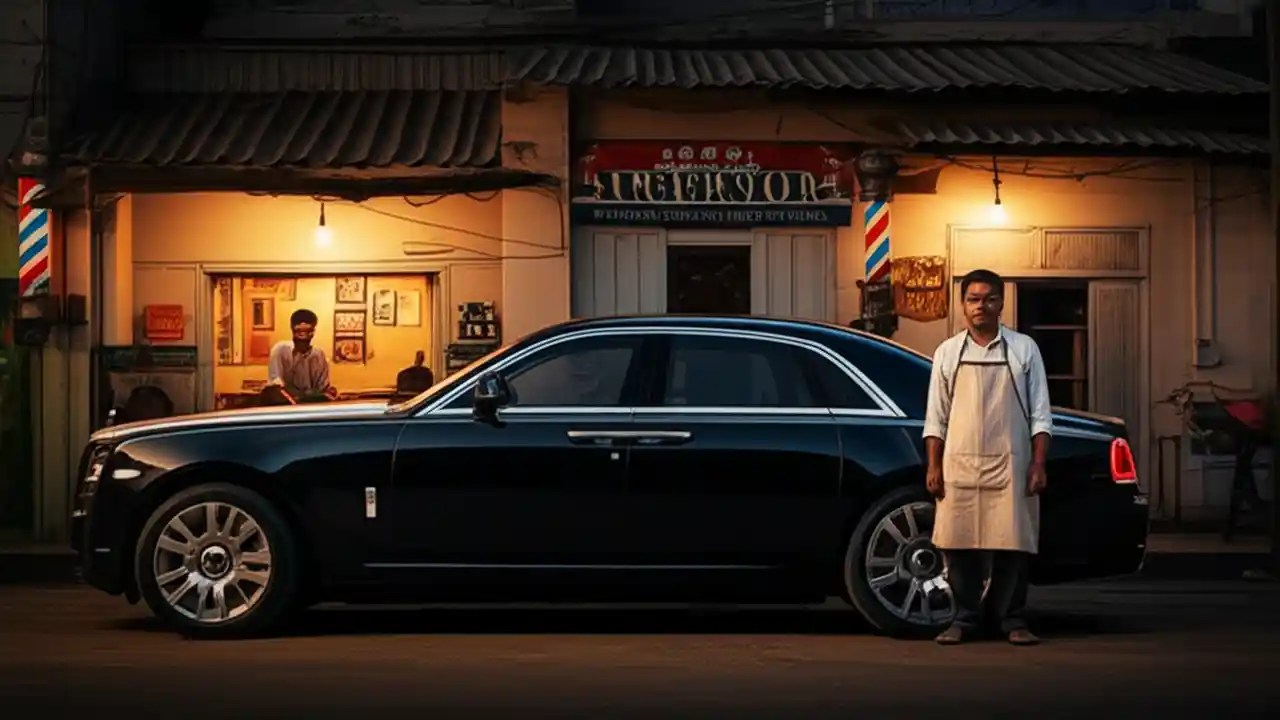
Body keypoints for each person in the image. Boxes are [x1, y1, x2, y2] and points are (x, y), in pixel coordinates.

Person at [923, 268, 1053, 646]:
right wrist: (934, 464)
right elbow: (936, 416)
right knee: (958, 542)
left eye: (989, 298)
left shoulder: (1024, 349)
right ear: (963, 305)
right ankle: (963, 619)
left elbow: (1041, 414)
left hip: (1011, 460)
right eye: (973, 299)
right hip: (959, 461)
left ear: (1001, 302)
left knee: (1012, 542)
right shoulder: (948, 352)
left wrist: (1039, 462)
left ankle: (1012, 619)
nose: (981, 306)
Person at [267, 309, 337, 401]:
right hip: (285, 405)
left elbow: (322, 388)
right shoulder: (280, 350)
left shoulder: (319, 354)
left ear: (313, 332)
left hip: (312, 406)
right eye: (299, 331)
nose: (303, 336)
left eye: (307, 331)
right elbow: (275, 385)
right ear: (292, 329)